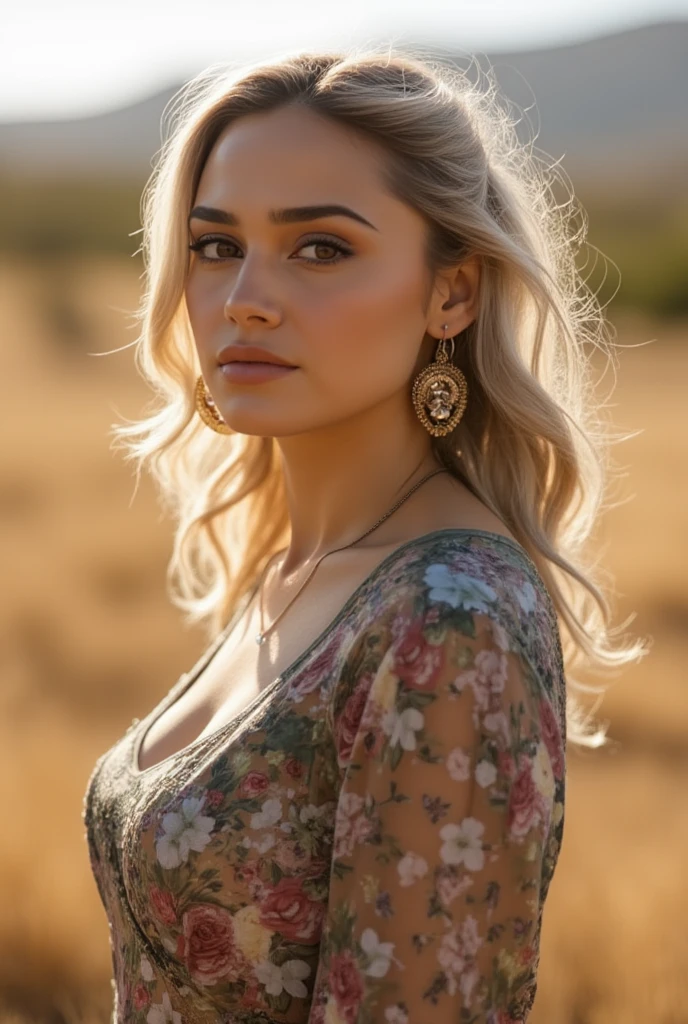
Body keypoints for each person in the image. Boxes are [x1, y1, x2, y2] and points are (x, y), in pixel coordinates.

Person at [82, 46, 647, 1024]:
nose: (245, 296)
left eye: (320, 249)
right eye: (216, 245)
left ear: (451, 294)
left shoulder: (445, 615)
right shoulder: (292, 567)